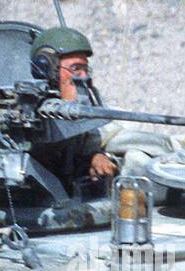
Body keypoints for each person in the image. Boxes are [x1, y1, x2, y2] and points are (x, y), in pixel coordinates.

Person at [26, 27, 118, 191]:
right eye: (76, 68)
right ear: (47, 69)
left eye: (85, 69)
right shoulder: (27, 110)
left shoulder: (85, 102)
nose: (83, 76)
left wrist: (96, 157)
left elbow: (86, 148)